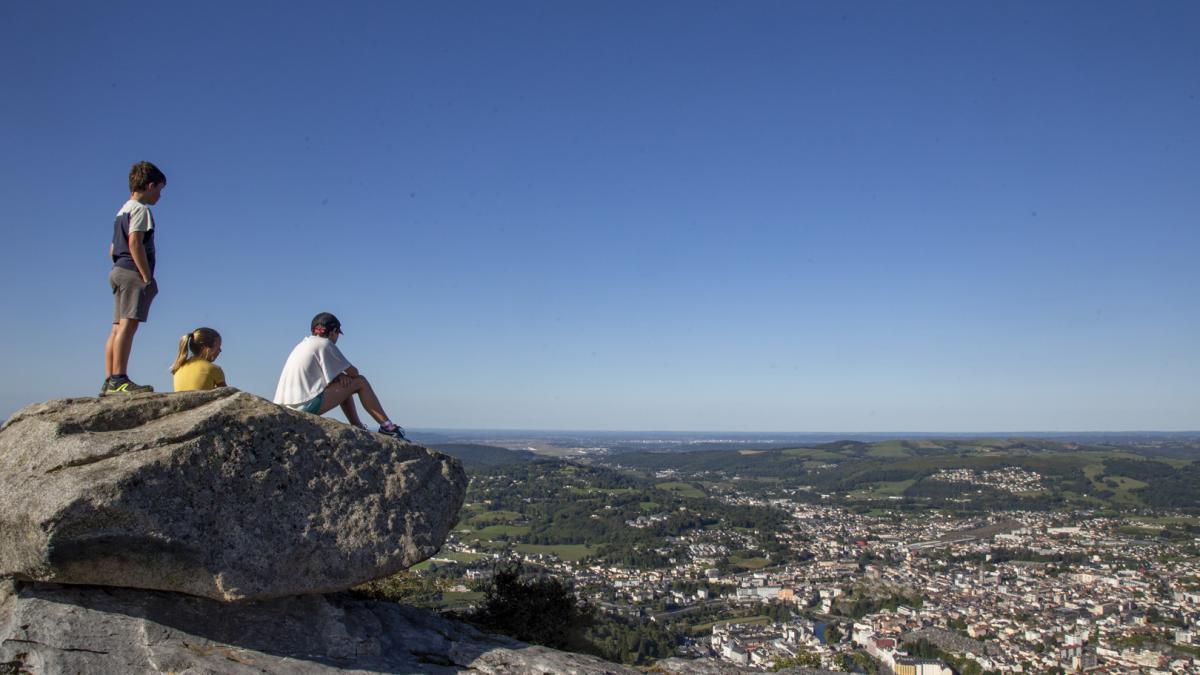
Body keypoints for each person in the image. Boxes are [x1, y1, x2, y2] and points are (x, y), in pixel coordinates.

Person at [273, 312, 406, 438]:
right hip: (302, 407)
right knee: (360, 382)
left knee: (345, 382)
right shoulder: (325, 344)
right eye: (337, 334)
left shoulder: (304, 344)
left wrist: (339, 375)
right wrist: (342, 373)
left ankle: (357, 426)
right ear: (333, 332)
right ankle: (387, 427)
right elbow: (354, 372)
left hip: (285, 407)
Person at [102, 161, 166, 395]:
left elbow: (112, 248)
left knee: (117, 327)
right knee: (128, 326)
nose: (159, 195)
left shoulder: (122, 211)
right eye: (159, 189)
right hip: (132, 272)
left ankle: (110, 378)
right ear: (150, 186)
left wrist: (120, 265)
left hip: (118, 269)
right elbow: (134, 242)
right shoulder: (141, 210)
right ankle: (120, 378)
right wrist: (146, 276)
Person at [171, 327, 226, 391]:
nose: (220, 351)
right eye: (218, 347)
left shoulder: (178, 368)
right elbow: (228, 394)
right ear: (206, 349)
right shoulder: (214, 369)